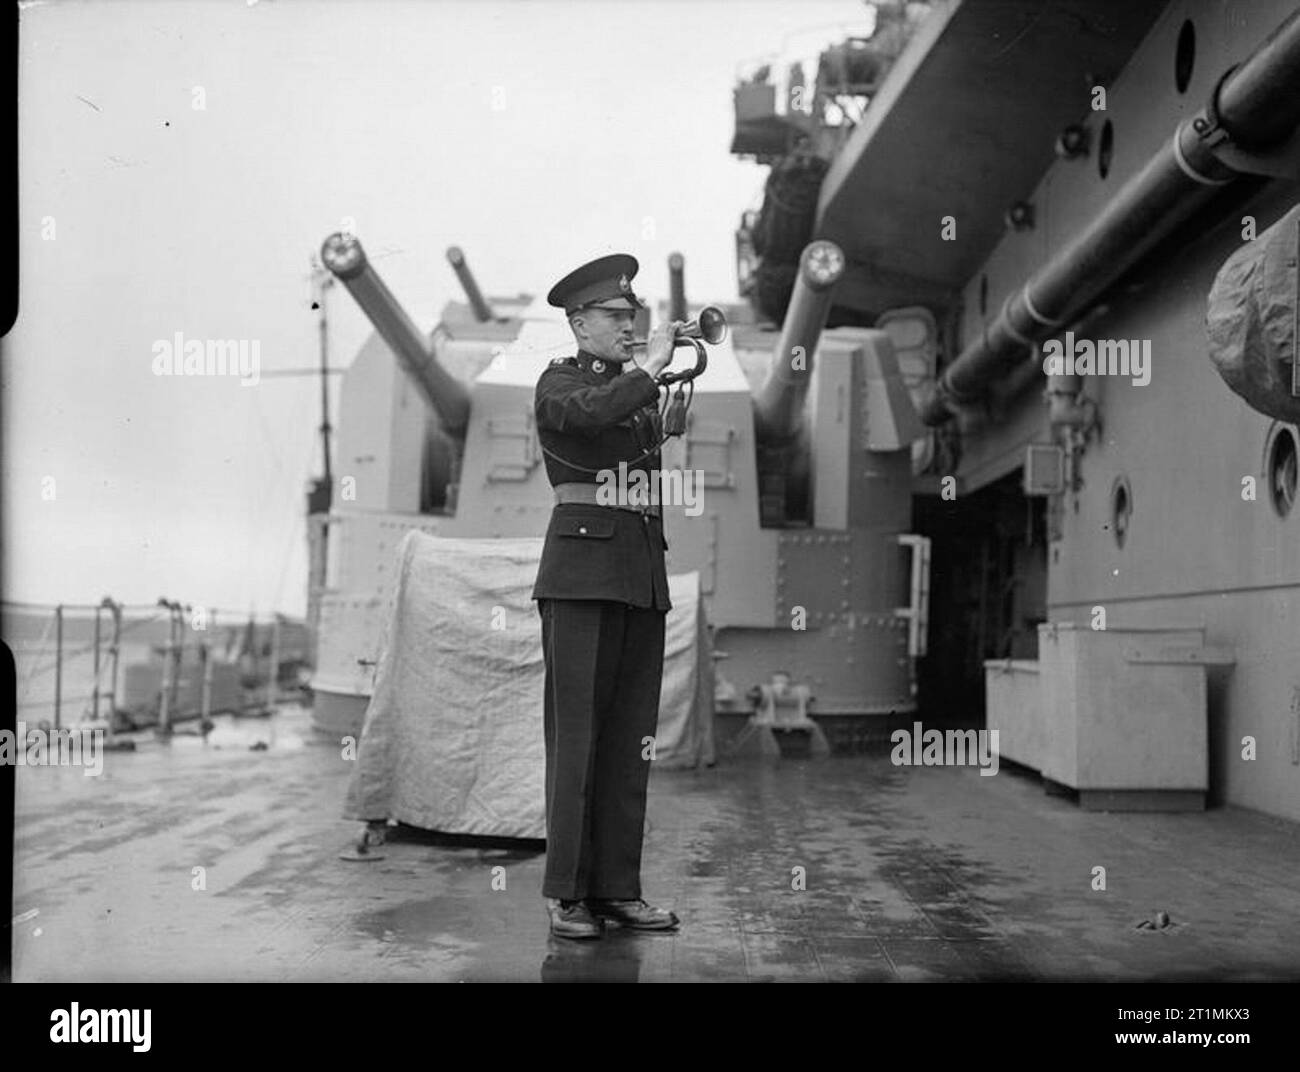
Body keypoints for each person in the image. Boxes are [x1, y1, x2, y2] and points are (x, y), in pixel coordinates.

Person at [531, 253, 682, 940]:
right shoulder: (560, 384)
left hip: (637, 575)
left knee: (629, 744)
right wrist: (649, 372)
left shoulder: (634, 392)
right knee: (578, 743)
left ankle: (618, 890)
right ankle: (567, 896)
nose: (630, 327)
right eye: (617, 318)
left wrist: (661, 390)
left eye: (633, 317)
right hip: (583, 576)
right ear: (580, 323)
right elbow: (591, 415)